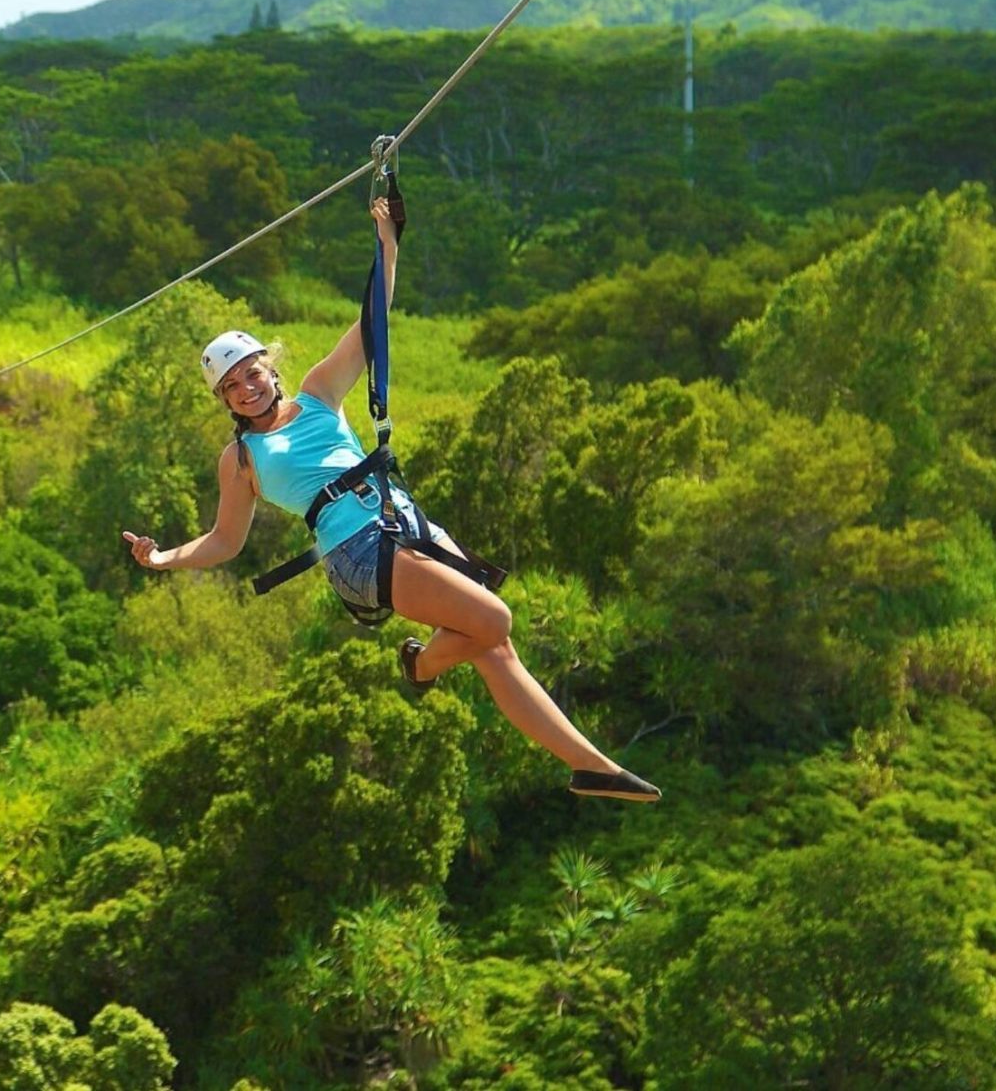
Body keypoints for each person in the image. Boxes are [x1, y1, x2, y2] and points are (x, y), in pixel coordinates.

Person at [122, 195, 659, 801]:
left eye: (252, 373)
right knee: (494, 618)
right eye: (232, 386)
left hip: (401, 519)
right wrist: (163, 558)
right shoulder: (241, 459)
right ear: (223, 400)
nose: (246, 388)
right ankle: (424, 665)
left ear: (271, 369)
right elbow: (224, 541)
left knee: (492, 642)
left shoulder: (319, 394)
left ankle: (590, 767)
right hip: (356, 551)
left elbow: (372, 322)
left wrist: (387, 239)